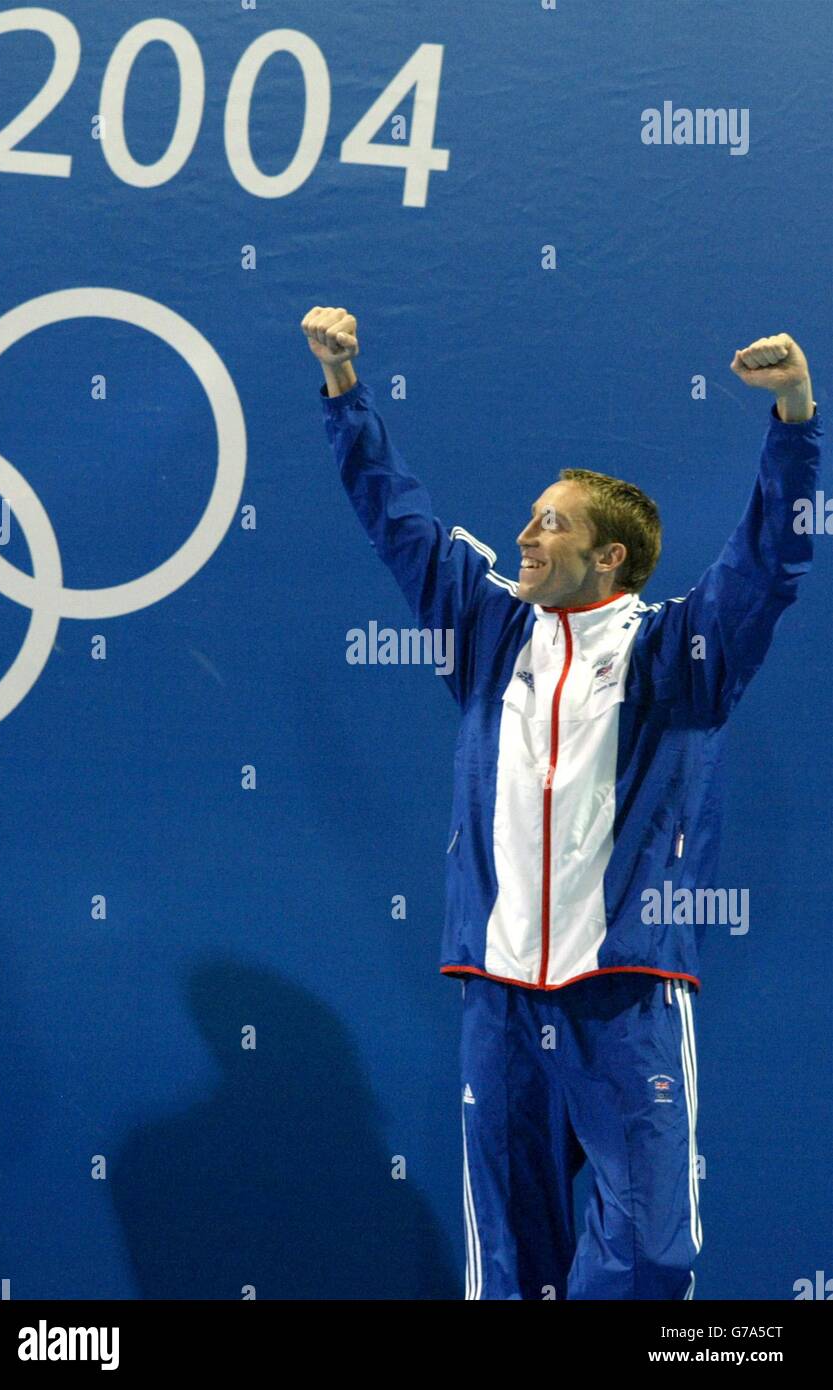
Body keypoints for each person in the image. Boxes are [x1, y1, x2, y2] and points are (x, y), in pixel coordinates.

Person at [302, 306, 821, 1300]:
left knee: (652, 1253)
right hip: (498, 997)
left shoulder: (682, 653)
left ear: (610, 556)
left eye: (551, 523)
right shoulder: (490, 632)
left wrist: (795, 417)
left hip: (621, 994)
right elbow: (399, 519)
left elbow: (769, 561)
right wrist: (344, 390)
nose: (524, 536)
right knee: (512, 1267)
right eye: (530, 519)